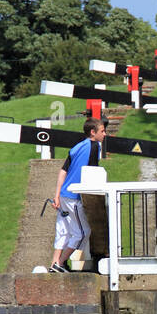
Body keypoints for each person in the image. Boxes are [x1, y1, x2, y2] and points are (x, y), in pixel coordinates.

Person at [49, 117, 107, 273]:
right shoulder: (95, 146)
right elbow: (92, 173)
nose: (105, 134)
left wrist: (56, 195)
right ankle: (60, 264)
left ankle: (53, 264)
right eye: (102, 131)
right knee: (82, 233)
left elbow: (63, 171)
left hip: (63, 194)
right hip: (74, 197)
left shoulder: (76, 147)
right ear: (93, 132)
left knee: (63, 231)